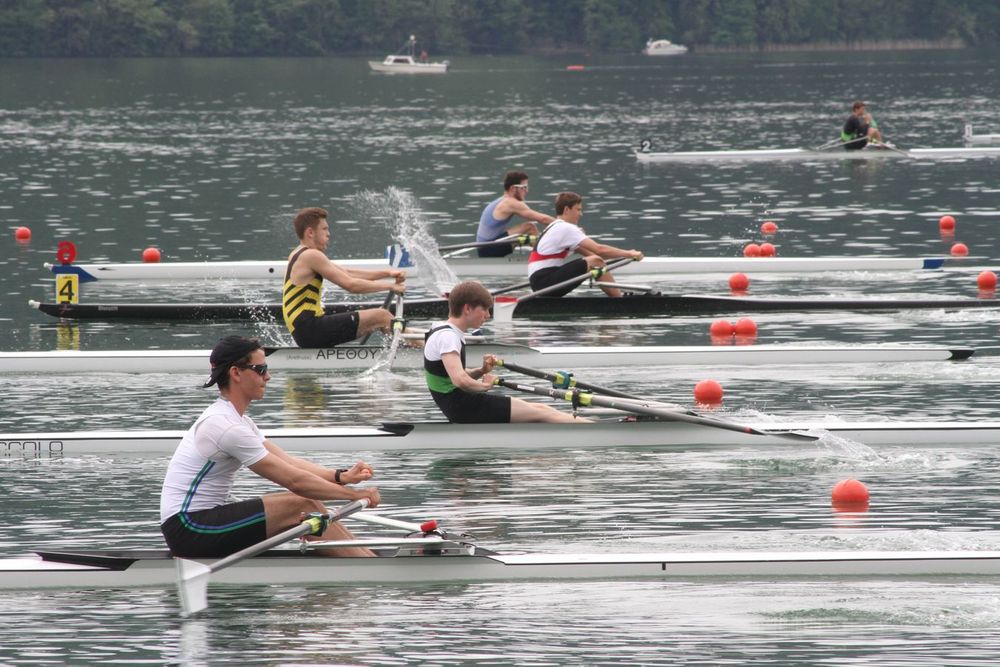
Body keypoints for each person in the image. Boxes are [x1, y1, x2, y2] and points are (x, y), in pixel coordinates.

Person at [160, 335, 381, 558]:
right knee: (300, 505)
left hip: (199, 523)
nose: (268, 376)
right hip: (188, 529)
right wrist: (354, 495)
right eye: (261, 369)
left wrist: (340, 477)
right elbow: (295, 481)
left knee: (308, 503)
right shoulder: (225, 427)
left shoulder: (239, 421)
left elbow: (290, 463)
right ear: (236, 373)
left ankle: (365, 559)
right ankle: (371, 569)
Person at [424, 281, 589, 424]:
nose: (488, 315)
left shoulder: (441, 329)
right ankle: (595, 430)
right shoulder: (448, 337)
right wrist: (486, 385)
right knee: (543, 412)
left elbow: (451, 375)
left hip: (458, 405)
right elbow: (460, 381)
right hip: (463, 407)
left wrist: (480, 371)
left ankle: (588, 425)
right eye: (485, 309)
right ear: (467, 308)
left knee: (540, 408)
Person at [284, 207, 406, 348]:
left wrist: (388, 274)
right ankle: (421, 351)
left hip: (304, 331)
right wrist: (390, 286)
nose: (329, 234)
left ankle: (417, 342)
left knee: (382, 318)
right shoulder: (311, 255)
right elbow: (351, 285)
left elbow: (348, 273)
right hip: (310, 330)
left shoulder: (299, 253)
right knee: (382, 316)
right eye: (324, 229)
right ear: (310, 233)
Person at [527, 192, 643, 298]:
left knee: (596, 261)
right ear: (567, 209)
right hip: (544, 281)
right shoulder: (565, 228)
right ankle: (619, 299)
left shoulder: (555, 226)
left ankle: (617, 296)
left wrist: (620, 257)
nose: (581, 214)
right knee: (595, 261)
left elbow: (598, 257)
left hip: (540, 282)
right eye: (578, 210)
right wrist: (629, 253)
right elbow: (599, 250)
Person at [475, 171, 554, 258]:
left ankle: (540, 253)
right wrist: (565, 225)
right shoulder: (510, 203)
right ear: (513, 188)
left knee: (528, 234)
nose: (527, 191)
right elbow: (543, 219)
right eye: (524, 187)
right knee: (529, 227)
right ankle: (543, 258)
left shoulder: (502, 200)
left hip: (486, 247)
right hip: (488, 249)